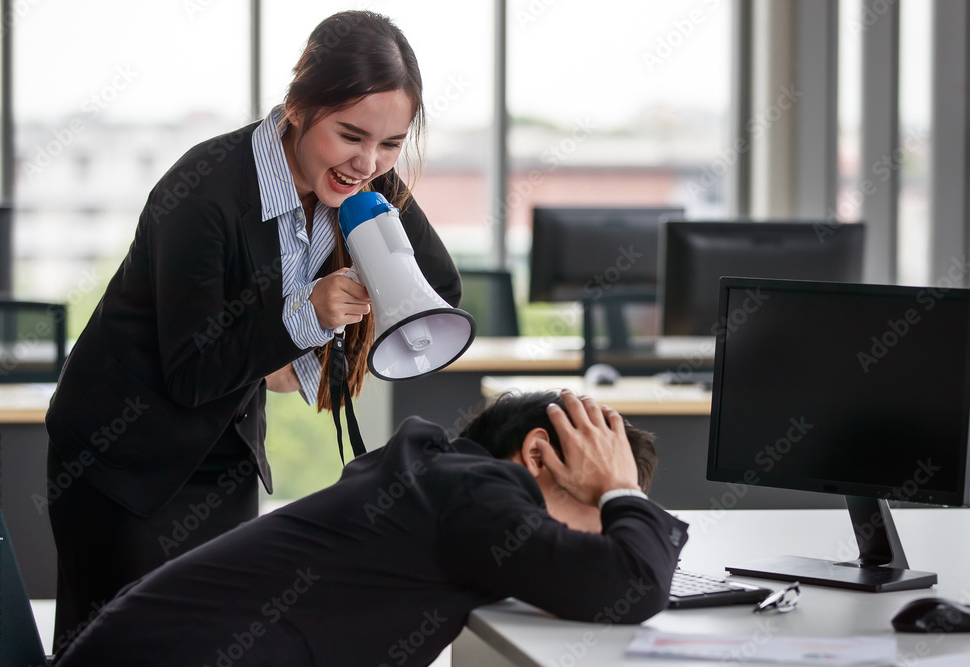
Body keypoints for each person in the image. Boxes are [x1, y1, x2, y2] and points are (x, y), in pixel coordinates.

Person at [43, 10, 461, 650]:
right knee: (120, 648)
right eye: (350, 135)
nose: (369, 163)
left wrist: (359, 297)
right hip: (121, 457)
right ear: (298, 106)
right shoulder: (201, 192)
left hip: (226, 452)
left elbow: (436, 288)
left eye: (391, 143)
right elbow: (192, 370)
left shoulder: (366, 181)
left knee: (216, 645)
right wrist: (307, 317)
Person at [53, 390, 689, 666]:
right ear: (538, 457)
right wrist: (622, 491)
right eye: (597, 509)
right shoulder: (470, 497)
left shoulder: (440, 479)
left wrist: (619, 497)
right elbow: (629, 585)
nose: (601, 530)